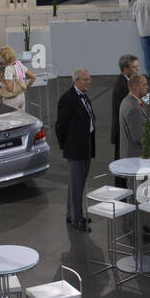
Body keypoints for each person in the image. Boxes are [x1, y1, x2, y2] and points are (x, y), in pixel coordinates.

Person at [55, 69, 96, 231]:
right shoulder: (67, 99)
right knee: (77, 185)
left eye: (89, 79)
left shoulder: (84, 96)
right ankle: (76, 219)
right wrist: (63, 146)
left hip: (86, 146)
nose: (88, 82)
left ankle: (71, 214)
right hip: (75, 148)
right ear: (76, 81)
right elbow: (60, 126)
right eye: (85, 80)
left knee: (76, 184)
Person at [118, 74, 150, 160]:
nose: (148, 87)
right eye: (144, 85)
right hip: (139, 158)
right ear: (136, 87)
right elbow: (139, 137)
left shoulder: (127, 101)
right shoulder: (133, 108)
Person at [112, 53, 138, 164]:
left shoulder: (126, 82)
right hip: (122, 130)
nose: (137, 69)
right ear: (125, 69)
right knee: (121, 161)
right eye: (134, 67)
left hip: (124, 128)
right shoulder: (122, 86)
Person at [0, 45, 36, 111]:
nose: (0, 58)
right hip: (21, 96)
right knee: (22, 118)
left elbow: (10, 88)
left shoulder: (8, 69)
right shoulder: (19, 64)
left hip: (12, 99)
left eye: (1, 56)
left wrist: (1, 79)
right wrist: (25, 87)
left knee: (12, 119)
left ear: (5, 57)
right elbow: (33, 77)